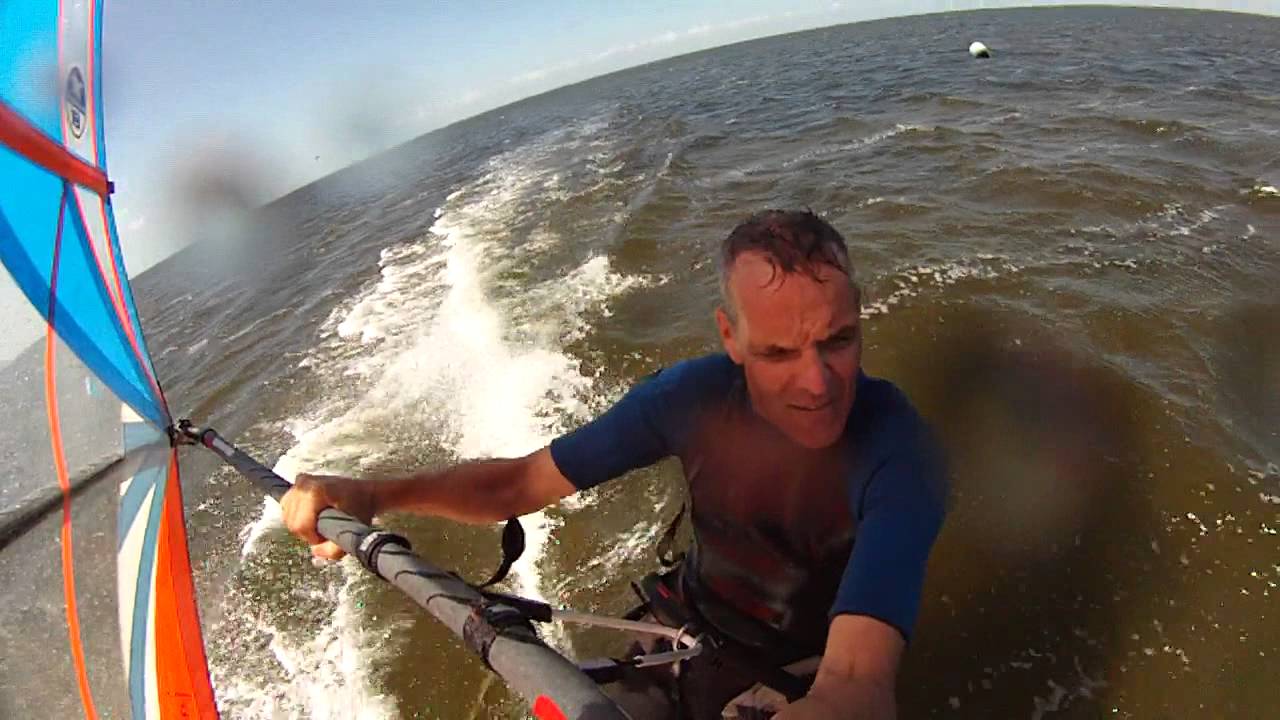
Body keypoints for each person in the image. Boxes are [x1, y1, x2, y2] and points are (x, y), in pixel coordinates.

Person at [282, 209, 949, 720]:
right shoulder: (688, 399)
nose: (817, 383)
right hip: (678, 632)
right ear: (731, 338)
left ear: (859, 318)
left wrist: (833, 705)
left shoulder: (899, 451)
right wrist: (371, 493)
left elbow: (859, 679)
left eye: (838, 341)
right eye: (779, 353)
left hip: (799, 674)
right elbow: (515, 484)